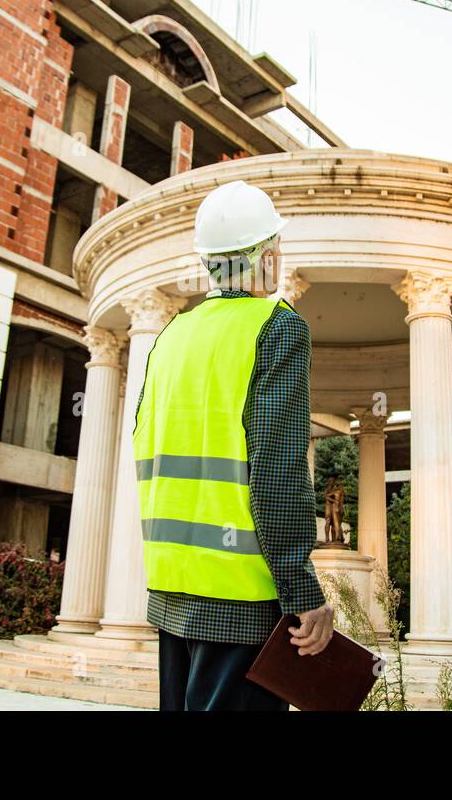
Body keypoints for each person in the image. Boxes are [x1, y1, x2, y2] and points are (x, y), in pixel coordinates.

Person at [133, 179, 334, 711]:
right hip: (242, 595)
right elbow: (277, 469)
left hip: (172, 589)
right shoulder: (277, 327)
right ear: (266, 255)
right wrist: (302, 591)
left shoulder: (169, 338)